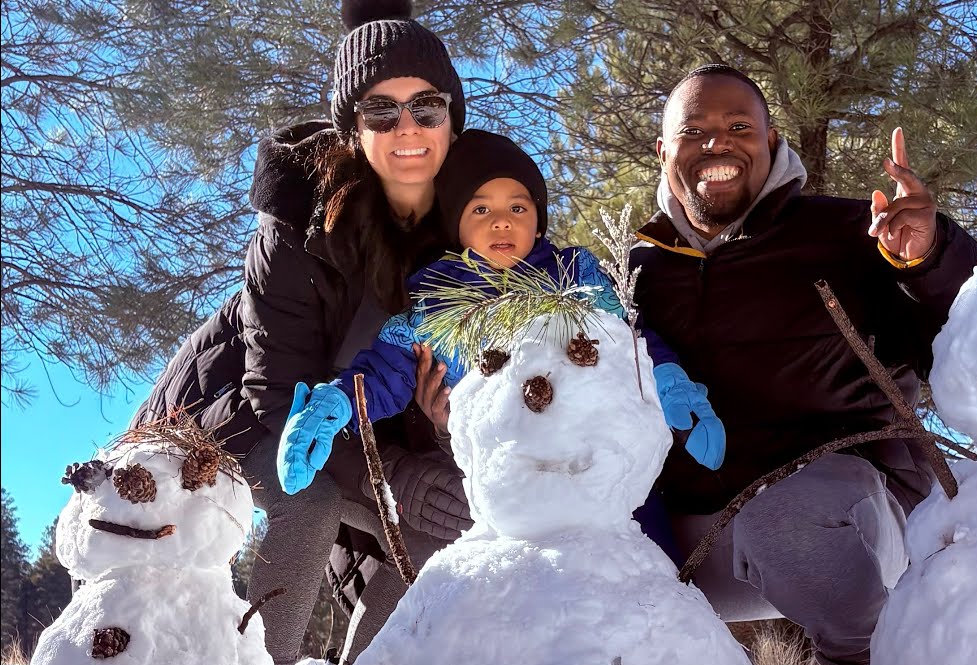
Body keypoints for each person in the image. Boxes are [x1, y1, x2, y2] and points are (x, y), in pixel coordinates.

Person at [130, 2, 472, 665]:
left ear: (452, 117)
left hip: (353, 434)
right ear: (351, 128)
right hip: (227, 420)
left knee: (448, 527)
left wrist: (439, 443)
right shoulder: (295, 225)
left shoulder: (472, 230)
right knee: (310, 496)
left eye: (426, 106)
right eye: (380, 111)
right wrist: (398, 472)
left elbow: (459, 382)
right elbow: (273, 395)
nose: (406, 127)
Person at [628, 64, 977, 665]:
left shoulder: (850, 236)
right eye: (695, 131)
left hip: (844, 518)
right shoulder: (635, 273)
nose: (718, 144)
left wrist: (930, 259)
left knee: (783, 510)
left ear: (771, 141)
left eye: (740, 127)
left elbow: (968, 336)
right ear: (663, 151)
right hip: (694, 536)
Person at [277, 128, 724, 562]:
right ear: (456, 224)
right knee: (522, 589)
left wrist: (668, 382)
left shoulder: (575, 276)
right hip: (509, 476)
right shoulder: (435, 302)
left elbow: (631, 338)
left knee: (646, 564)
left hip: (600, 458)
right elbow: (384, 372)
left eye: (517, 206)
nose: (502, 220)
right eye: (480, 210)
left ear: (538, 218)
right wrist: (337, 403)